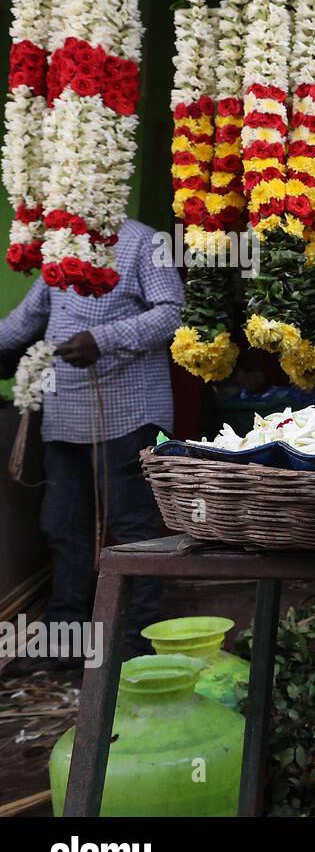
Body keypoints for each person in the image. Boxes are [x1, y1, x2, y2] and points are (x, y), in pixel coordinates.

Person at [0, 219, 182, 674]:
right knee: (60, 524)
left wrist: (104, 338)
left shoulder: (146, 240)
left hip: (128, 410)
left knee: (132, 526)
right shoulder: (58, 242)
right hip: (63, 414)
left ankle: (137, 648)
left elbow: (170, 311)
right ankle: (65, 642)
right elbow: (26, 320)